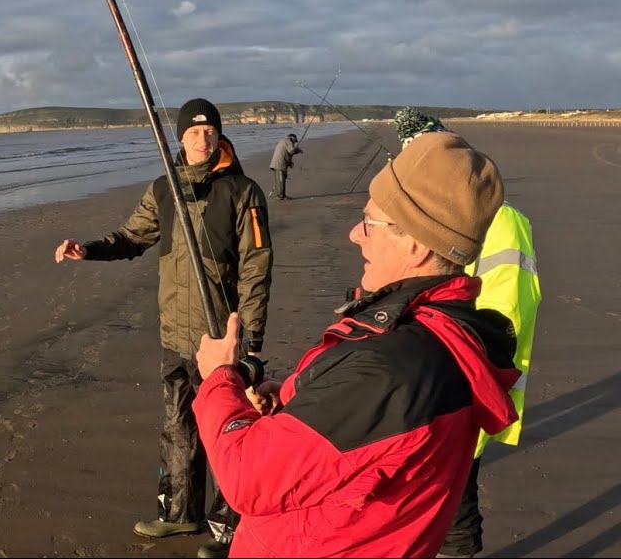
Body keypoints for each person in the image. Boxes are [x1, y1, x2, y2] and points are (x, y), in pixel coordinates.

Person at [191, 131, 521, 558]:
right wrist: (294, 396)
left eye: (370, 222)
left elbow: (245, 479)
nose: (355, 234)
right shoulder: (448, 334)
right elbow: (363, 440)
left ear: (417, 245)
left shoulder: (392, 369)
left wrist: (219, 378)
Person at [54, 98, 272, 555]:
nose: (202, 138)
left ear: (219, 135)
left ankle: (226, 528)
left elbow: (256, 266)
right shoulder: (162, 189)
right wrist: (88, 250)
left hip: (221, 342)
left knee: (228, 430)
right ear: (180, 137)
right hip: (176, 336)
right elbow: (132, 237)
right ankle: (179, 514)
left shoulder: (244, 191)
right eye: (193, 132)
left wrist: (250, 341)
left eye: (209, 130)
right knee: (178, 426)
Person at [395, 110, 542, 559]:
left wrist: (456, 374)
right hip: (422, 378)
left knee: (454, 503)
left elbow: (506, 317)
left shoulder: (501, 221)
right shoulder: (425, 213)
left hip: (467, 384)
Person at [268, 132, 302, 200]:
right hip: (279, 164)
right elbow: (292, 151)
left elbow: (285, 154)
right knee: (280, 181)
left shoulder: (283, 141)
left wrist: (289, 163)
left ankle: (283, 195)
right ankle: (280, 196)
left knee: (282, 180)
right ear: (292, 138)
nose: (294, 143)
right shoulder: (287, 141)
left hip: (279, 163)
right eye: (294, 141)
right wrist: (298, 150)